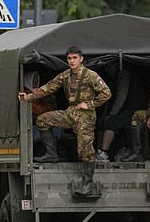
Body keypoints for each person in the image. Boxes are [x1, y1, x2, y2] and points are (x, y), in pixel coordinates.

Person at [17, 46, 111, 196]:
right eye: (69, 58)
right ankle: (51, 154)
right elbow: (48, 88)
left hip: (85, 117)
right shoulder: (66, 75)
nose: (72, 61)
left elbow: (106, 93)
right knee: (42, 120)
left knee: (84, 150)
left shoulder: (91, 75)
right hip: (71, 113)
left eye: (75, 58)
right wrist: (27, 97)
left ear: (81, 59)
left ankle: (88, 184)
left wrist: (89, 104)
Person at [95, 64, 148, 161]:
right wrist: (104, 115)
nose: (106, 69)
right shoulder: (112, 78)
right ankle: (98, 151)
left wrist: (112, 114)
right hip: (123, 107)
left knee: (110, 123)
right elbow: (109, 98)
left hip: (133, 107)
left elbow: (121, 96)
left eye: (108, 66)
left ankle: (103, 153)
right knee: (102, 122)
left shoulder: (124, 75)